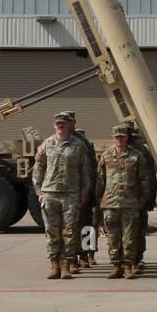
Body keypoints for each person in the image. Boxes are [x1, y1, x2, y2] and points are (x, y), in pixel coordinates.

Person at [32, 112, 92, 279]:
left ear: (69, 125)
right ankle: (54, 265)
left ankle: (67, 264)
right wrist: (39, 191)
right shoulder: (46, 144)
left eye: (63, 123)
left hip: (70, 194)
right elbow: (38, 169)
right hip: (50, 193)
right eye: (57, 123)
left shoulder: (78, 146)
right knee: (52, 231)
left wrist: (84, 192)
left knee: (70, 231)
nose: (60, 126)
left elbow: (86, 171)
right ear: (54, 125)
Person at [95, 124, 152, 279]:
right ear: (113, 139)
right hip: (111, 204)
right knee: (113, 238)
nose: (119, 140)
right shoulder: (106, 156)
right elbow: (100, 180)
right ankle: (116, 266)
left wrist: (141, 201)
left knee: (129, 237)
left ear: (127, 138)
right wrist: (101, 199)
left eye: (122, 137)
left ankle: (128, 266)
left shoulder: (136, 156)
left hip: (130, 204)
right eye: (116, 137)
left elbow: (144, 181)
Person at [67, 112, 98, 271]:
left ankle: (86, 255)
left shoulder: (83, 142)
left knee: (87, 224)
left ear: (73, 122)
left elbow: (92, 167)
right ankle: (70, 258)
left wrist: (91, 190)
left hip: (83, 190)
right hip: (66, 191)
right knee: (69, 226)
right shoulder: (56, 141)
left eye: (70, 121)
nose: (67, 124)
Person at [125, 122, 156, 274]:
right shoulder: (116, 150)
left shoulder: (142, 151)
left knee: (138, 231)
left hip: (138, 200)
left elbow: (150, 176)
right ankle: (125, 261)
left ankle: (137, 259)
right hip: (121, 201)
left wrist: (149, 198)